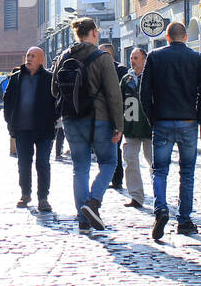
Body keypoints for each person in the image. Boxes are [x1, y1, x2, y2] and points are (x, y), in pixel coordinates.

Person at [50, 18, 124, 231]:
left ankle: (83, 220)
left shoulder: (64, 56)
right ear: (93, 32)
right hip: (99, 118)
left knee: (79, 168)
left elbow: (54, 91)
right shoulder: (102, 58)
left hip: (71, 118)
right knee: (109, 162)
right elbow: (113, 93)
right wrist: (119, 124)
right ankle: (93, 202)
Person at [140, 23, 201, 238]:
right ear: (185, 37)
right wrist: (198, 117)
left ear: (167, 37)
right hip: (188, 120)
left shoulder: (155, 56)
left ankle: (160, 208)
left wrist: (153, 117)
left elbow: (144, 92)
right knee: (187, 173)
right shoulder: (197, 58)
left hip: (163, 119)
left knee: (160, 171)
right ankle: (185, 220)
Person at [3, 47, 57, 210]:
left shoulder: (49, 78)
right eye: (27, 55)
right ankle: (25, 194)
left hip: (44, 130)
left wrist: (53, 117)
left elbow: (58, 100)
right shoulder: (16, 78)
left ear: (41, 60)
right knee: (24, 163)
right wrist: (9, 121)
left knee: (42, 163)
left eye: (33, 56)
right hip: (22, 129)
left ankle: (43, 198)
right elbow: (7, 100)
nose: (29, 59)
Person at [120, 47, 152, 210]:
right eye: (132, 57)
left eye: (136, 58)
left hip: (149, 128)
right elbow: (119, 103)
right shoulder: (126, 80)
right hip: (131, 126)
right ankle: (136, 196)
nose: (132, 61)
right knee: (130, 160)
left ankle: (159, 195)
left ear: (144, 60)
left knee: (153, 162)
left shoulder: (152, 78)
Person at [101, 43, 129, 191]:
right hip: (102, 114)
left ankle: (117, 179)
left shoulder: (121, 70)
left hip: (118, 114)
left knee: (115, 147)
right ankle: (110, 177)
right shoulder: (97, 69)